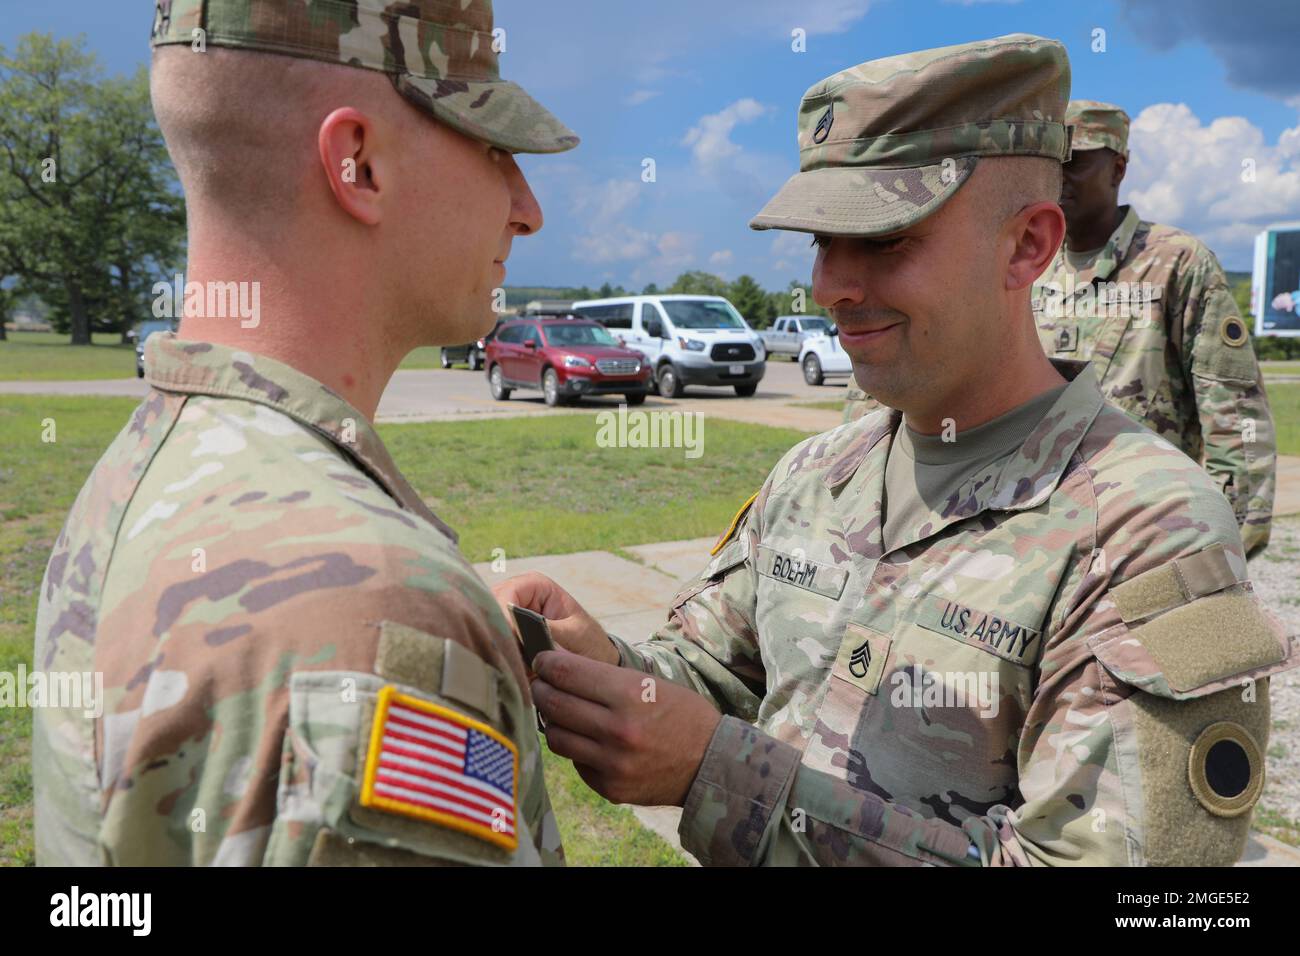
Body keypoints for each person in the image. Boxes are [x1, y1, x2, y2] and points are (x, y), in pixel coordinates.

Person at [496, 34, 1297, 866]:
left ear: (1027, 245)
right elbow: (716, 677)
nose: (829, 287)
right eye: (820, 241)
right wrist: (597, 664)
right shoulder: (817, 473)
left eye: (884, 241)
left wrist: (716, 774)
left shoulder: (1148, 535)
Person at [31, 0, 576, 866]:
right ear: (357, 163)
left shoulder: (146, 465)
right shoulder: (376, 606)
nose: (527, 207)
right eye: (493, 148)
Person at [1035, 100, 1276, 558]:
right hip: (1043, 529)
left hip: (1149, 528)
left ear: (1118, 168)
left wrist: (1231, 538)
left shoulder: (1176, 261)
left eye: (1075, 162)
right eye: (1050, 162)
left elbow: (1232, 409)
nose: (1058, 176)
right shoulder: (1029, 265)